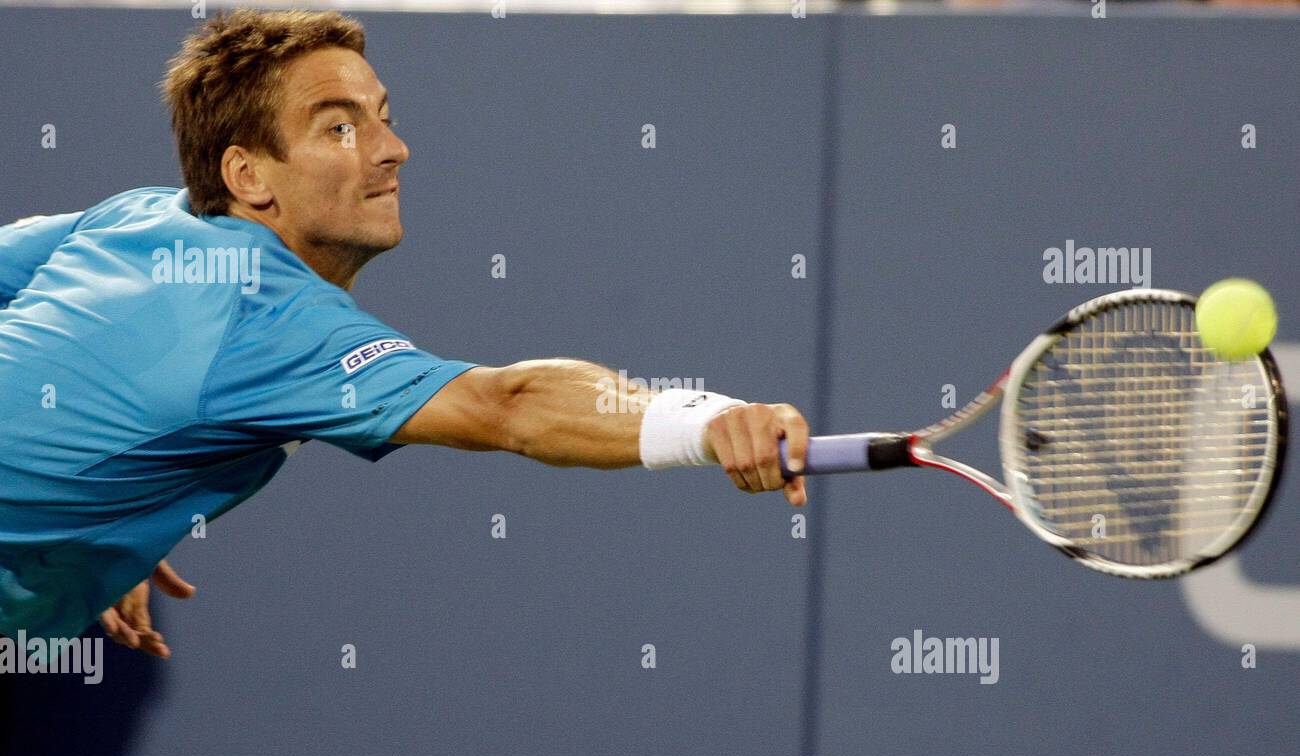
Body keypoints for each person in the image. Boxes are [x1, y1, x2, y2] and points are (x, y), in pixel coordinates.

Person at [0, 9, 809, 660]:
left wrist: (79, 508)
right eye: (340, 129)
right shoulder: (273, 322)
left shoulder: (142, 214)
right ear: (248, 176)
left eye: (382, 118)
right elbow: (511, 406)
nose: (392, 150)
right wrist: (703, 420)